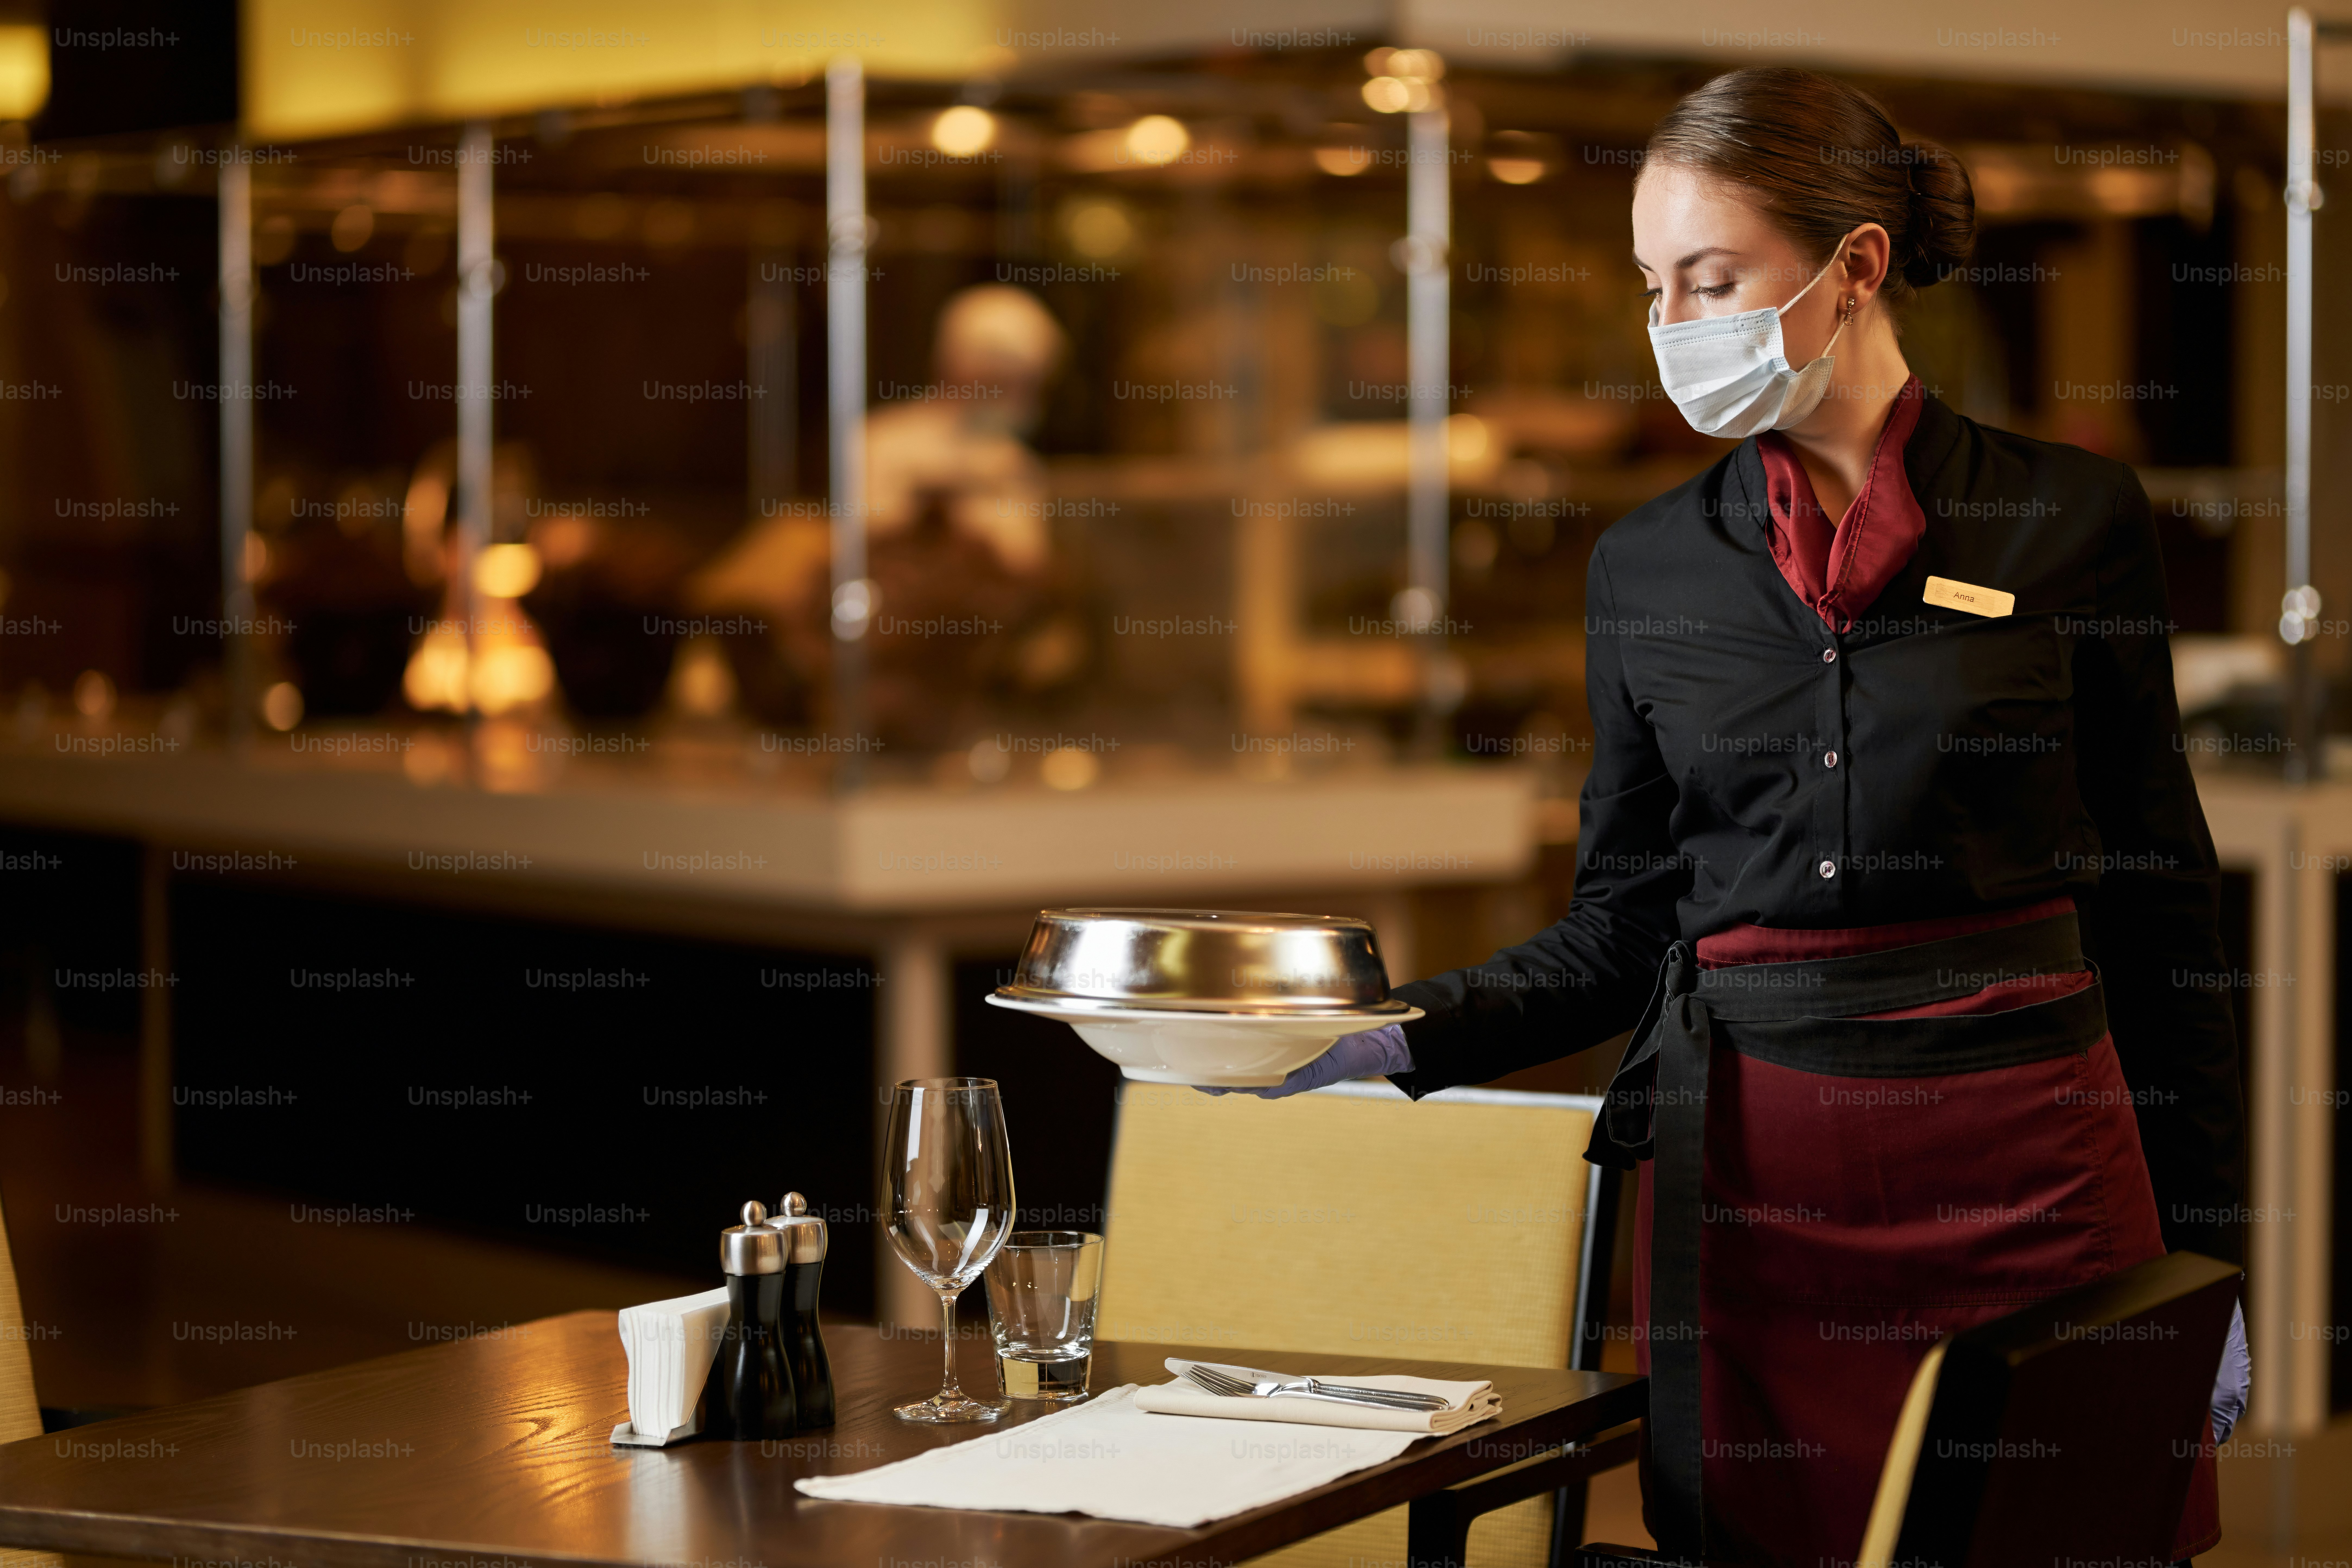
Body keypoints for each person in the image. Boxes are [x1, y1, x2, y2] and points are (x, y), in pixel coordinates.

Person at [1230, 68, 2248, 1565]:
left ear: (1854, 267)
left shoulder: (2067, 520)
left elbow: (2162, 905)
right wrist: (1394, 1036)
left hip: (2029, 1163)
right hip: (1760, 1195)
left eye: (1712, 280)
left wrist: (2212, 1270)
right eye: (1654, 286)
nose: (1675, 327)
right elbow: (1625, 924)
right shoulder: (1647, 570)